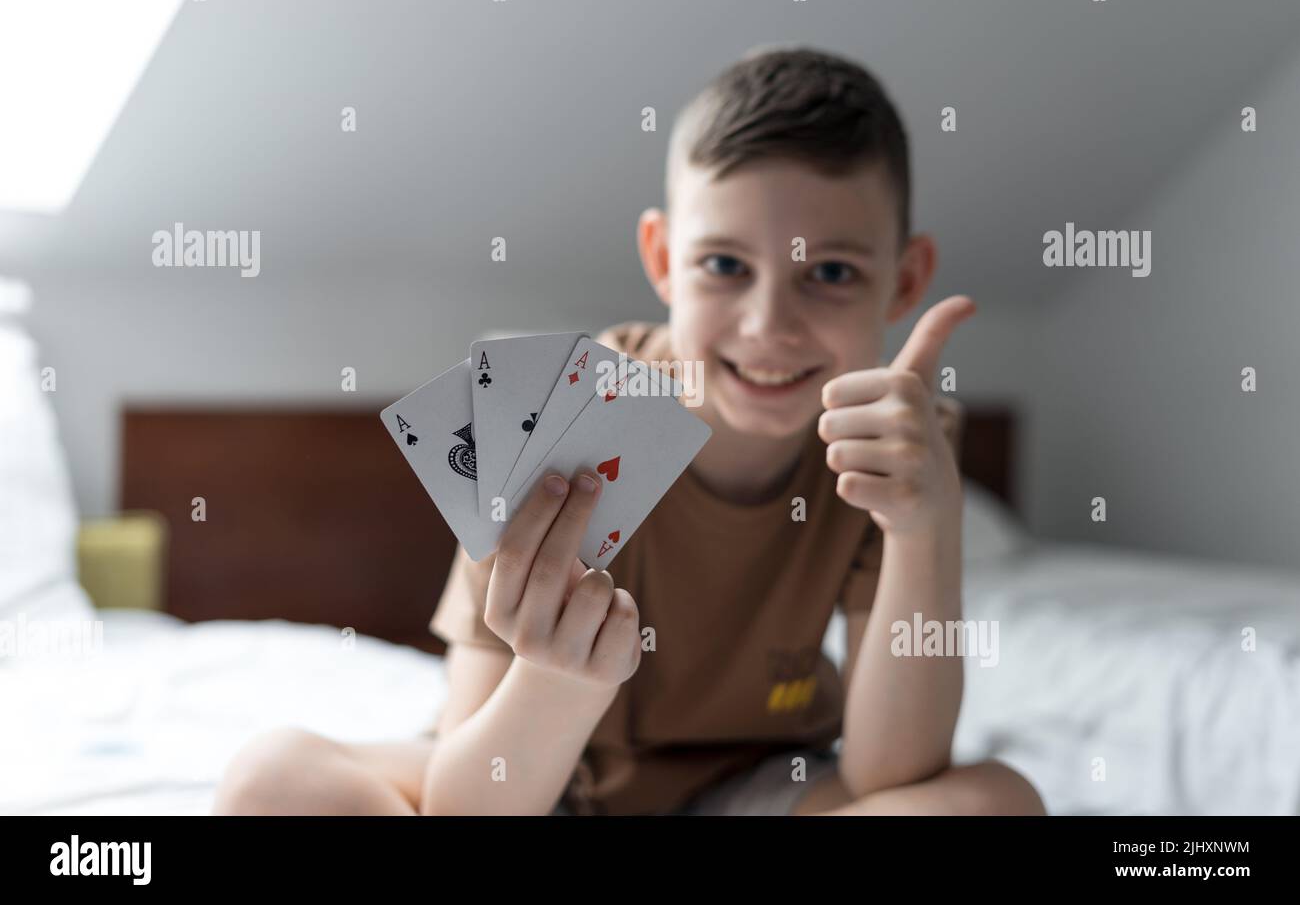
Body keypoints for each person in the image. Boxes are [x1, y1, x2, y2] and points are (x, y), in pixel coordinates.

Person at [214, 45, 1045, 816]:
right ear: (661, 258)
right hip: (545, 774)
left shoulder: (896, 445)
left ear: (903, 280)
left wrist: (927, 528)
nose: (769, 326)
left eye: (829, 273)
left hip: (757, 783)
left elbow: (886, 776)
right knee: (275, 780)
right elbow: (476, 800)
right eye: (725, 266)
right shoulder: (553, 413)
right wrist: (562, 679)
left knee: (996, 802)